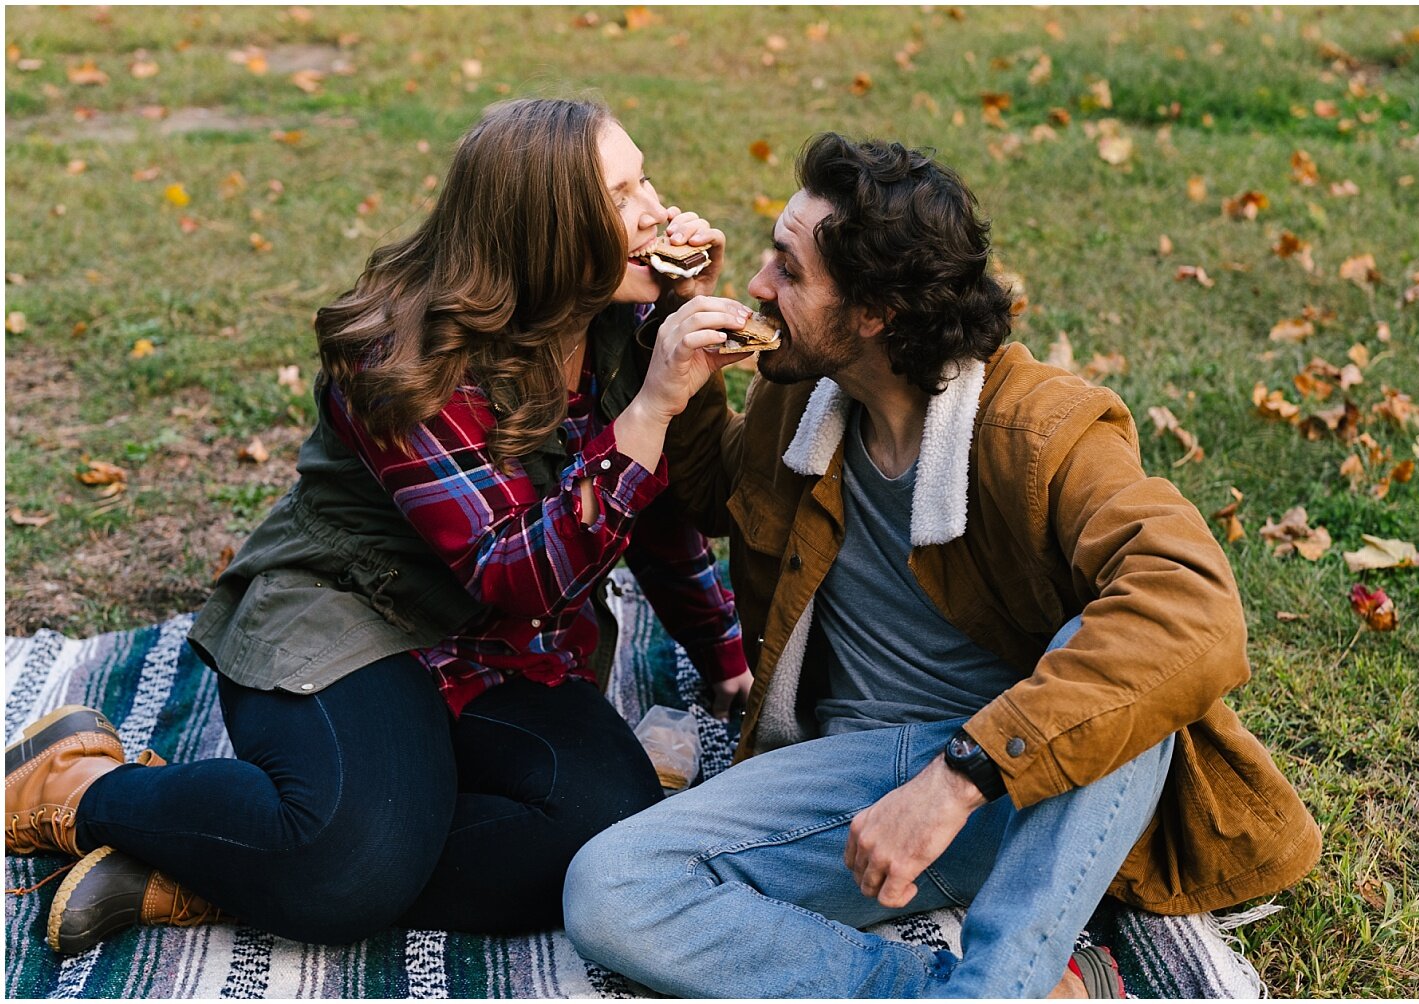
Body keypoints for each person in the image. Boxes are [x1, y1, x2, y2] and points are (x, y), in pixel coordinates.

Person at [562, 133, 1321, 998]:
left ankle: (1001, 982)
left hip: (1017, 785)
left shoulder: (1040, 431)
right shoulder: (800, 391)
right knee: (610, 887)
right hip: (848, 780)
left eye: (787, 268)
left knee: (1120, 647)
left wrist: (959, 777)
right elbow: (713, 499)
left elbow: (1194, 611)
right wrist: (681, 350)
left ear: (876, 311)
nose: (759, 286)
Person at [4, 97, 755, 955]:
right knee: (344, 860)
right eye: (621, 196)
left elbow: (650, 508)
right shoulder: (403, 358)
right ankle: (78, 784)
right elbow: (515, 571)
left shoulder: (619, 324)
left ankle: (215, 873)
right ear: (546, 233)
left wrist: (721, 654)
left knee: (604, 837)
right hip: (353, 616)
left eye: (645, 178)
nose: (656, 210)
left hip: (501, 649)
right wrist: (657, 401)